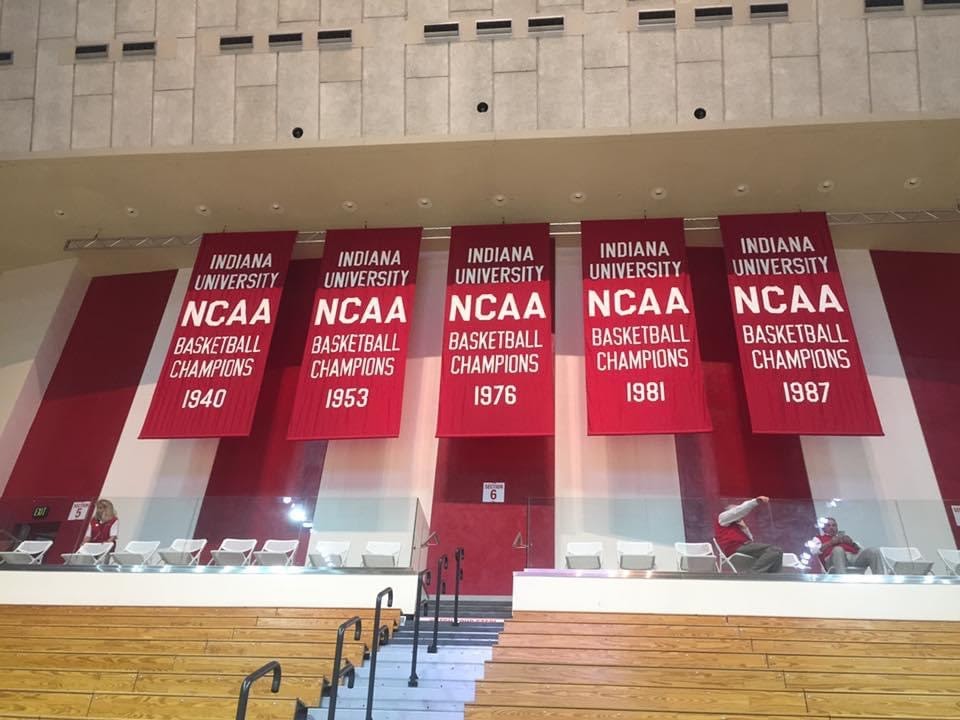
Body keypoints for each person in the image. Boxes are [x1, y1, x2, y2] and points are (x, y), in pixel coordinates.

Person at [715, 496, 783, 573]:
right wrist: (755, 501)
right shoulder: (722, 518)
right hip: (735, 547)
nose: (740, 515)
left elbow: (751, 539)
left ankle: (773, 578)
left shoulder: (737, 525)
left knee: (778, 552)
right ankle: (753, 574)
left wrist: (744, 528)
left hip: (744, 547)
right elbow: (739, 511)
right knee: (774, 550)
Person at [815, 517, 883, 574]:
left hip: (853, 558)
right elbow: (815, 550)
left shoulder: (844, 537)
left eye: (834, 525)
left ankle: (882, 582)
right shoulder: (818, 538)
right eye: (828, 525)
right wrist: (830, 543)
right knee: (838, 549)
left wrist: (852, 543)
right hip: (833, 559)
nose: (831, 527)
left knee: (874, 551)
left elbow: (860, 550)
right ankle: (843, 583)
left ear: (837, 527)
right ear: (823, 528)